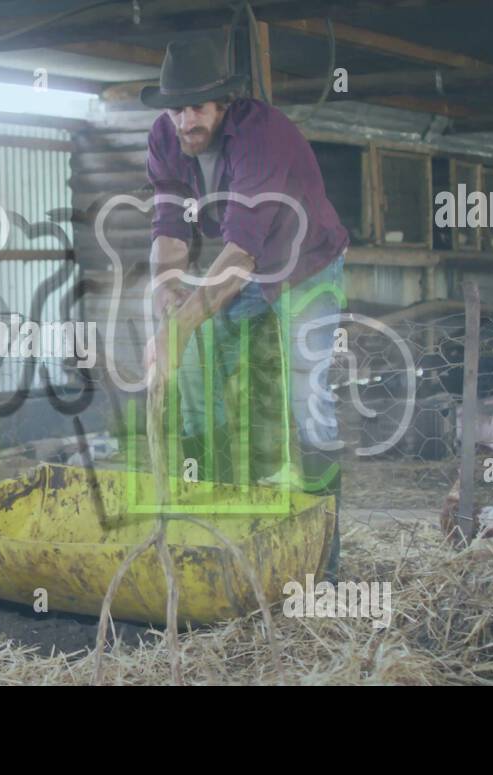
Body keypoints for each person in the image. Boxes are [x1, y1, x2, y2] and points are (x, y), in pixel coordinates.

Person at [140, 32, 349, 581]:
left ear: (224, 103)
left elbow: (241, 251)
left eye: (197, 108)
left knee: (307, 392)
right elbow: (169, 220)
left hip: (302, 266)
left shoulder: (264, 136)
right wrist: (166, 285)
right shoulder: (165, 136)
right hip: (240, 264)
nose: (186, 120)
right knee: (203, 385)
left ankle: (324, 553)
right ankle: (212, 534)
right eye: (176, 107)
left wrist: (177, 328)